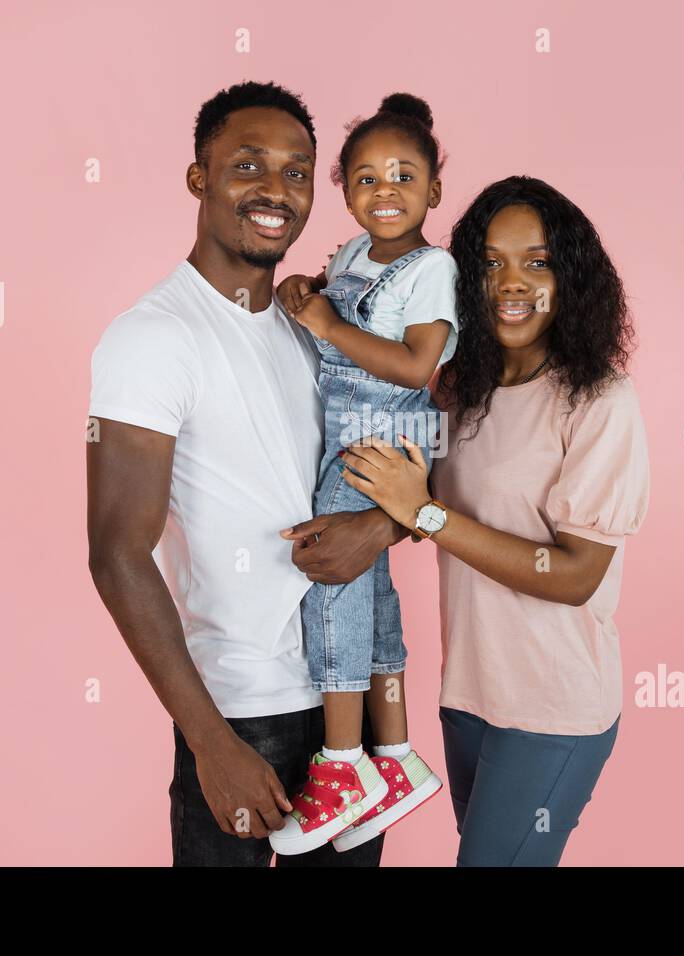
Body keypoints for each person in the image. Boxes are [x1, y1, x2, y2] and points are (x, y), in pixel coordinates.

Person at [86, 81, 407, 867]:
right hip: (241, 714)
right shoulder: (150, 338)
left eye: (298, 172)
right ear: (200, 179)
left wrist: (382, 524)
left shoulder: (314, 330)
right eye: (249, 165)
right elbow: (116, 553)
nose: (276, 189)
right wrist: (209, 742)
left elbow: (390, 471)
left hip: (346, 706)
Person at [331, 176, 651, 866]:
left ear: (570, 277)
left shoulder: (599, 401)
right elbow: (414, 501)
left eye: (537, 262)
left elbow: (574, 576)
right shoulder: (458, 392)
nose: (513, 282)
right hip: (469, 697)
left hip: (553, 710)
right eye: (490, 263)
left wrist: (423, 511)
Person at [267, 93, 454, 856]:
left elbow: (417, 362)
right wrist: (304, 295)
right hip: (353, 433)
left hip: (382, 438)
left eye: (405, 175)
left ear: (434, 191)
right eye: (368, 177)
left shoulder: (433, 267)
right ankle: (397, 757)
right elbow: (323, 310)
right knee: (371, 592)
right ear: (344, 190)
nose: (386, 190)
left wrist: (329, 325)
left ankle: (343, 764)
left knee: (333, 585)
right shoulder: (350, 255)